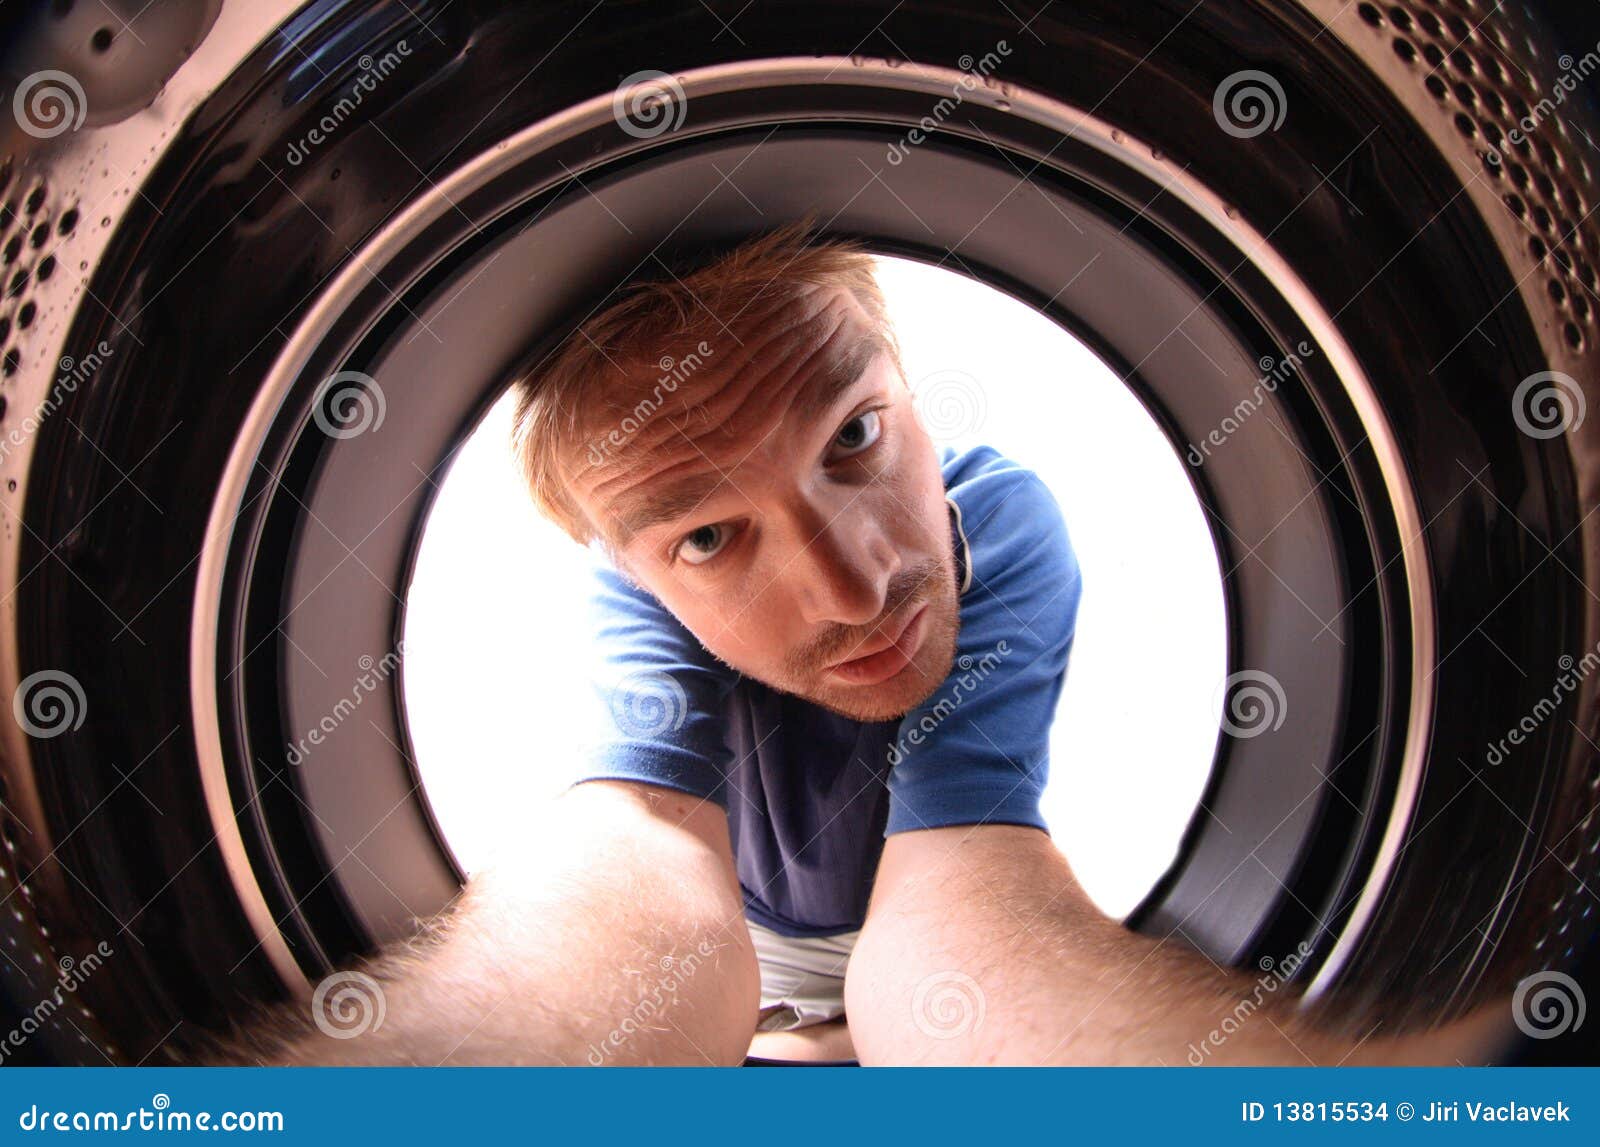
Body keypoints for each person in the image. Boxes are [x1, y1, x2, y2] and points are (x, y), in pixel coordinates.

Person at [209, 224, 1492, 1066]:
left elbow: (962, 875)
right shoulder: (633, 585)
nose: (857, 582)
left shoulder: (997, 521)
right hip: (750, 949)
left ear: (914, 396)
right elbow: (639, 854)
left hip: (909, 927)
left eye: (854, 439)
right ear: (634, 563)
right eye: (710, 537)